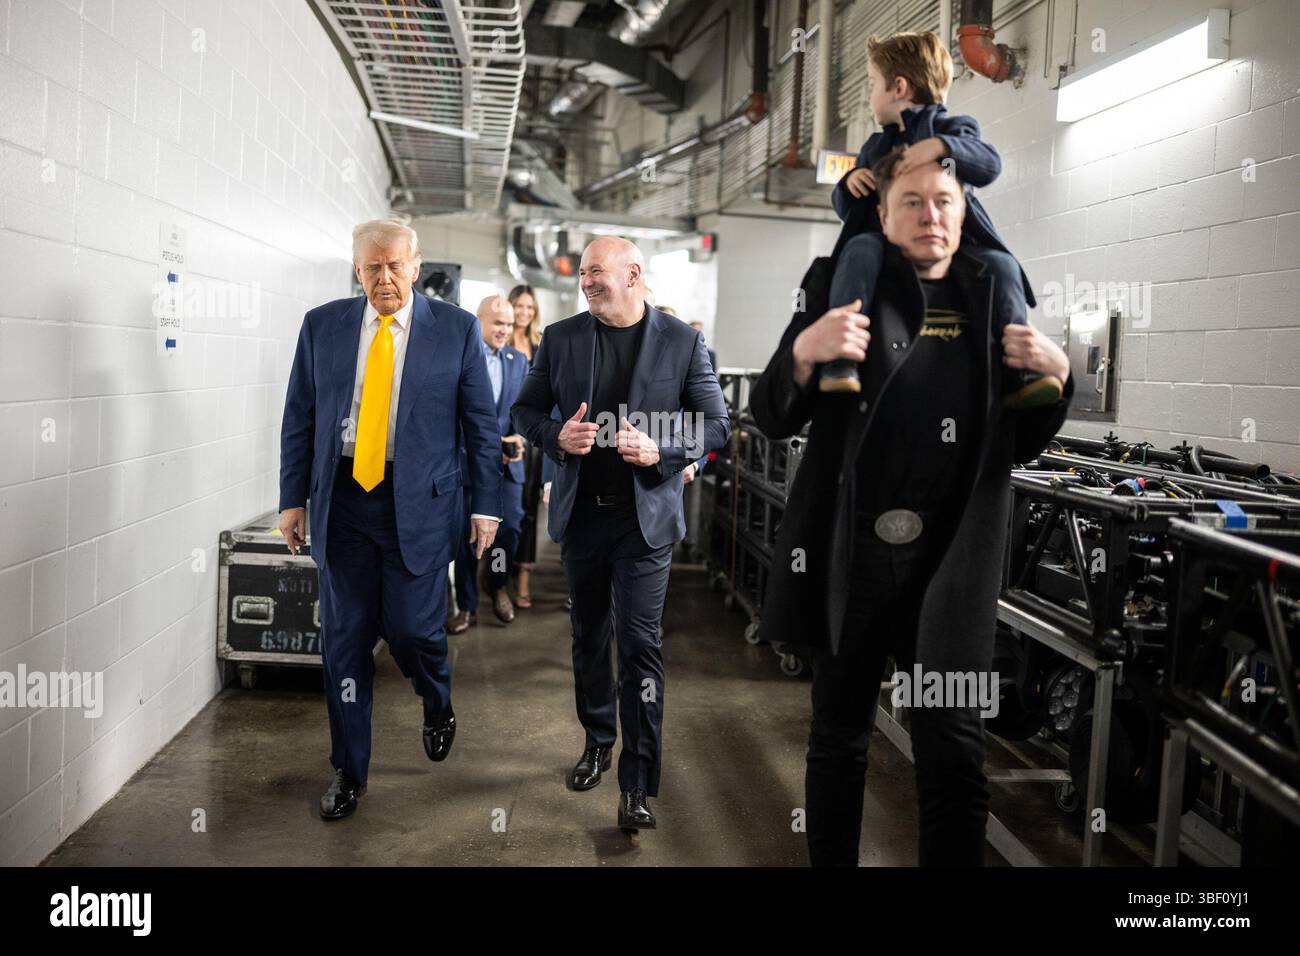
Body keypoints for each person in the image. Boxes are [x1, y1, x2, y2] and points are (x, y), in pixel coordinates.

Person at [749, 150, 1073, 866]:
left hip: (948, 569)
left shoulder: (994, 292)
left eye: (945, 202)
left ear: (965, 213)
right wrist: (804, 351)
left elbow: (1017, 443)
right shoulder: (839, 284)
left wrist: (1062, 376)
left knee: (953, 752)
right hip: (852, 562)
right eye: (913, 202)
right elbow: (769, 413)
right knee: (839, 739)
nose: (931, 215)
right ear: (884, 214)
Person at [278, 219, 502, 821]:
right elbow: (299, 416)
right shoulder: (322, 326)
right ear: (357, 269)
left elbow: (480, 426)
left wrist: (486, 505)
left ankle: (436, 698)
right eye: (371, 267)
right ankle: (349, 771)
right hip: (343, 501)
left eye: (395, 266)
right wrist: (292, 499)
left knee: (412, 632)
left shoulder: (455, 330)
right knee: (345, 643)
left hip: (421, 506)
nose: (384, 279)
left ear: (416, 264)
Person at [511, 237, 730, 831]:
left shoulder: (681, 341)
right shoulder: (561, 338)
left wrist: (663, 448)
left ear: (633, 274)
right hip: (583, 519)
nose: (586, 281)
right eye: (582, 272)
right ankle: (597, 740)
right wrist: (556, 436)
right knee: (588, 637)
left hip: (644, 522)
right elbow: (524, 412)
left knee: (639, 646)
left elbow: (717, 424)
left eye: (595, 272)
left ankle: (637, 782)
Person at [823, 31, 1059, 408]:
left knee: (1002, 266)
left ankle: (1021, 368)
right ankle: (841, 359)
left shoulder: (953, 128)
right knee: (858, 250)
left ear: (898, 86)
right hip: (887, 244)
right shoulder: (875, 146)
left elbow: (989, 165)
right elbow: (848, 210)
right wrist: (849, 184)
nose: (869, 97)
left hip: (956, 245)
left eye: (872, 86)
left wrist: (944, 147)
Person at [448, 295, 529, 633]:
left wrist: (520, 437)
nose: (504, 330)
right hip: (467, 465)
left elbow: (525, 409)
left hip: (507, 467)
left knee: (507, 530)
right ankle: (467, 606)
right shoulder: (459, 357)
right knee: (466, 538)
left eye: (509, 325)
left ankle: (497, 584)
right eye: (498, 323)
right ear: (478, 320)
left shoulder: (517, 360)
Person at [508, 285, 544, 608]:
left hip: (532, 442)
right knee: (504, 513)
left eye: (529, 307)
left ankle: (522, 581)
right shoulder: (499, 340)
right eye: (519, 306)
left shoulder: (539, 345)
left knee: (528, 512)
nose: (523, 312)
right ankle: (496, 577)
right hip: (504, 438)